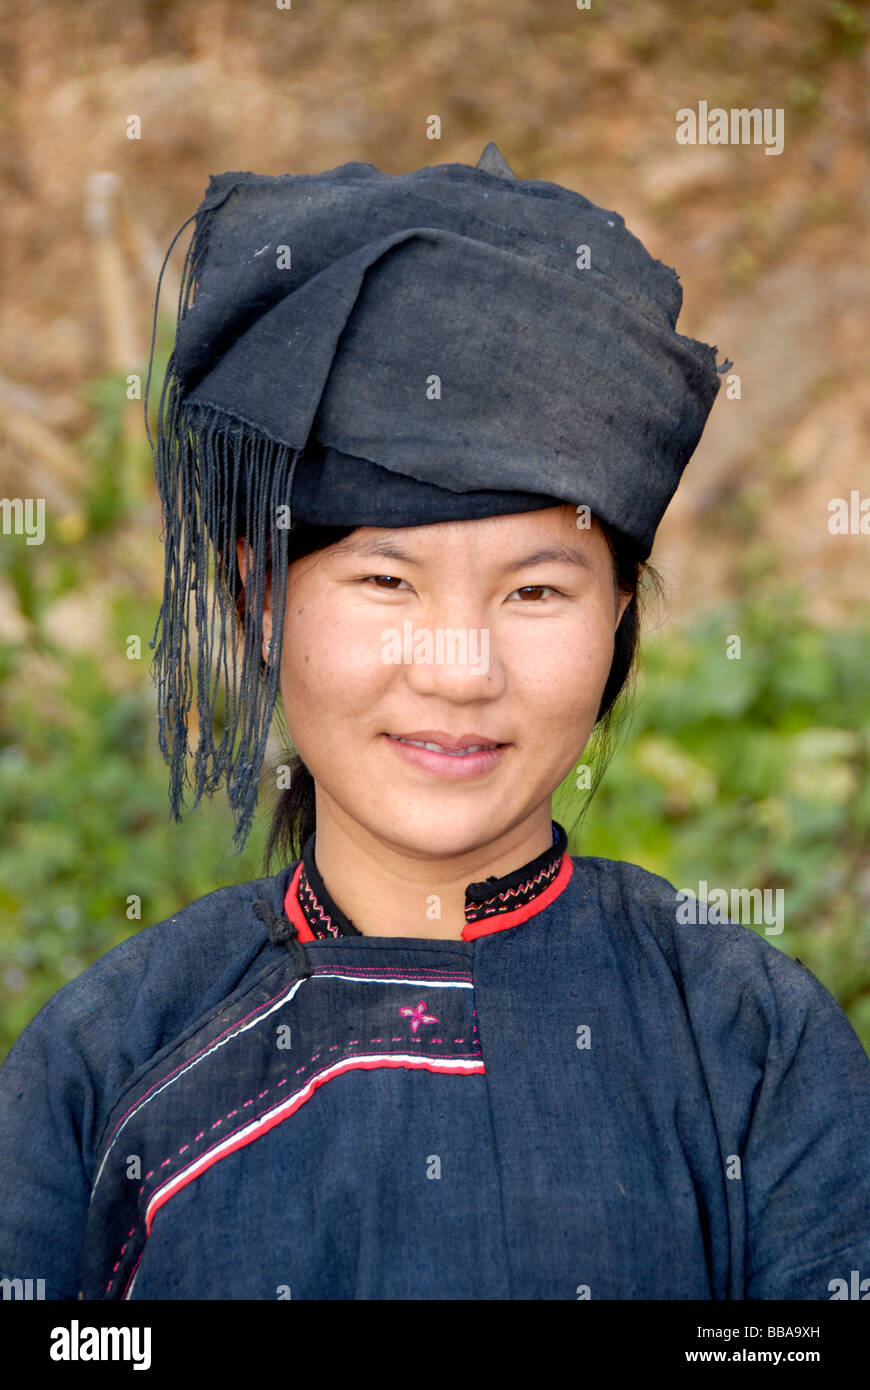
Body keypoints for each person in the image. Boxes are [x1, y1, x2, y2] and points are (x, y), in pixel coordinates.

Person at [1, 144, 868, 1301]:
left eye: (536, 590)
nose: (461, 670)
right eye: (386, 581)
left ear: (618, 613)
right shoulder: (104, 1061)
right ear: (263, 598)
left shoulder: (753, 1047)